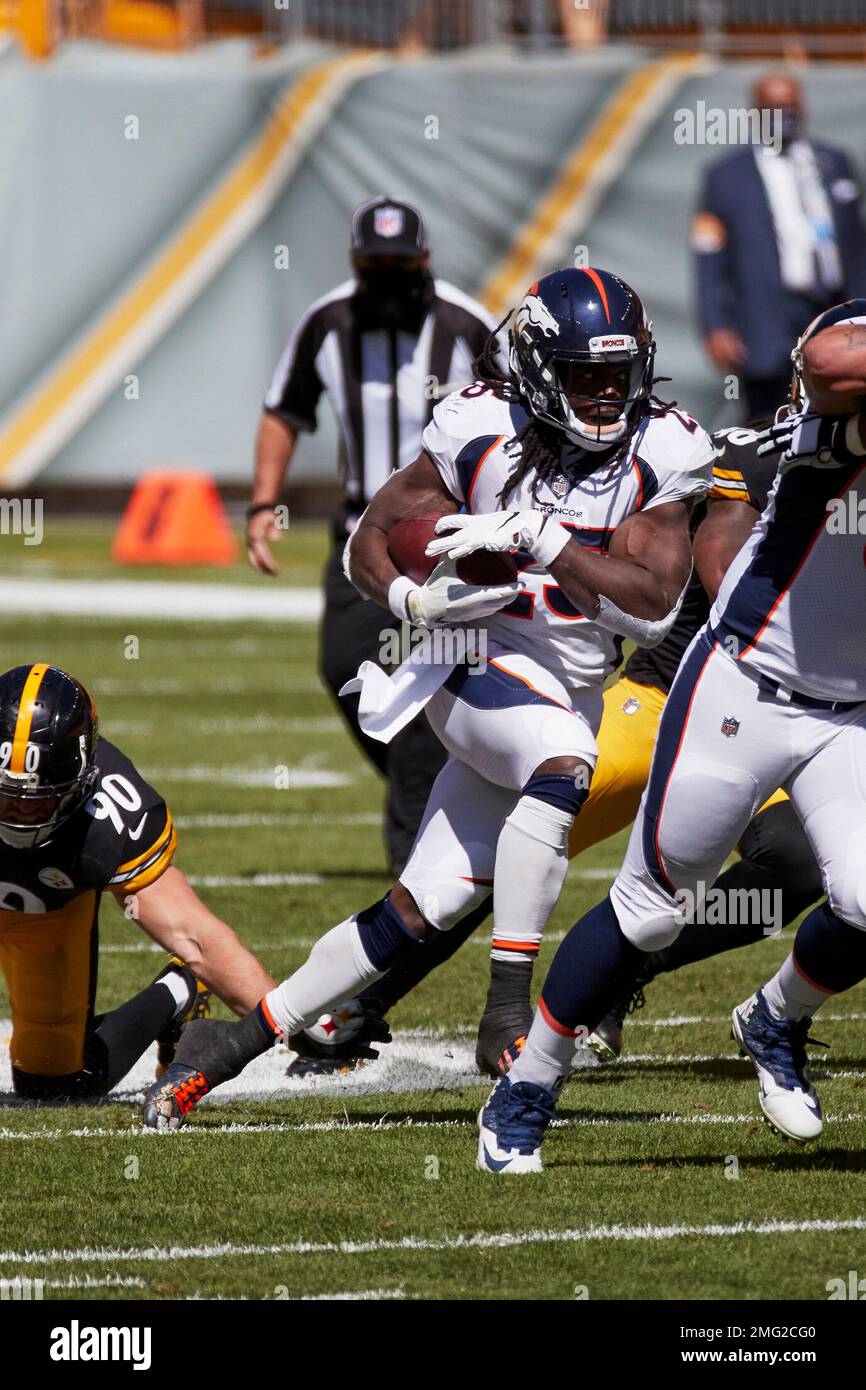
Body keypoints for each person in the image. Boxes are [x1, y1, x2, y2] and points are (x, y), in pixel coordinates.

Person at [142, 264, 716, 1131]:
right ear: (533, 369)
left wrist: (546, 539)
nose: (604, 396)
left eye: (617, 374)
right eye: (582, 376)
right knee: (566, 766)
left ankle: (230, 1045)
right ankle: (509, 1010)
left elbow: (654, 605)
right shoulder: (478, 424)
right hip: (470, 657)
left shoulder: (665, 450)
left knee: (424, 906)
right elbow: (368, 542)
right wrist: (412, 600)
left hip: (566, 686)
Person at [287, 421, 824, 1078]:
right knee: (508, 848)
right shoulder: (755, 459)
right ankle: (360, 1004)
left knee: (795, 862)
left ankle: (625, 972)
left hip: (755, 723)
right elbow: (721, 577)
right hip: (658, 703)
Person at [477, 300, 866, 1171]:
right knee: (651, 913)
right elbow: (825, 359)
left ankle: (775, 1017)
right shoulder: (837, 387)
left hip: (852, 716)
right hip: (747, 685)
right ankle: (528, 1084)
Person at [247, 195, 497, 874]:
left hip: (446, 541)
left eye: (399, 265)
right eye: (374, 266)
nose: (388, 279)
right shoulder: (328, 322)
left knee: (423, 684)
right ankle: (441, 799)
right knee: (342, 665)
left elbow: (516, 420)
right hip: (362, 534)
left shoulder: (467, 325)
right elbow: (284, 412)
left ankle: (416, 853)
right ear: (358, 265)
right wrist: (264, 503)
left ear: (424, 262)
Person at [0, 663, 274, 1100]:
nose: (16, 817)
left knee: (50, 1082)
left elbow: (195, 937)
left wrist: (293, 1020)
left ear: (81, 782)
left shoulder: (106, 818)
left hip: (42, 910)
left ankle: (179, 991)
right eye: (5, 798)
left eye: (35, 804)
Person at [694, 71, 865, 418]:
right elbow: (708, 260)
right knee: (768, 422)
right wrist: (715, 326)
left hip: (833, 311)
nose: (783, 116)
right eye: (772, 108)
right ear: (755, 112)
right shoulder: (726, 176)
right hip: (766, 321)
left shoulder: (834, 163)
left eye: (789, 106)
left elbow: (857, 246)